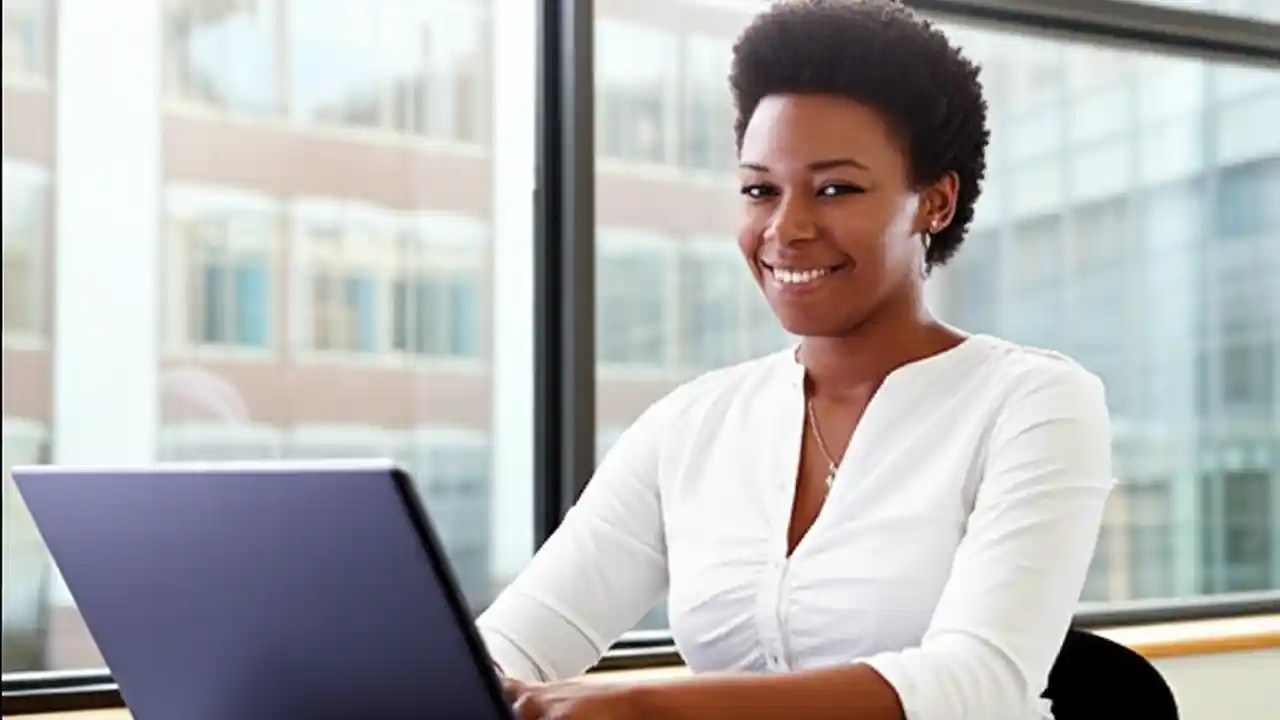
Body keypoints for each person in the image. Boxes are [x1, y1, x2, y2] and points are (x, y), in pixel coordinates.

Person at [479, 1, 1114, 718]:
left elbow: (979, 681)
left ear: (933, 202)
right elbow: (511, 644)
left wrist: (648, 707)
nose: (787, 228)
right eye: (760, 190)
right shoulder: (690, 425)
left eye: (836, 189)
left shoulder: (1034, 403)